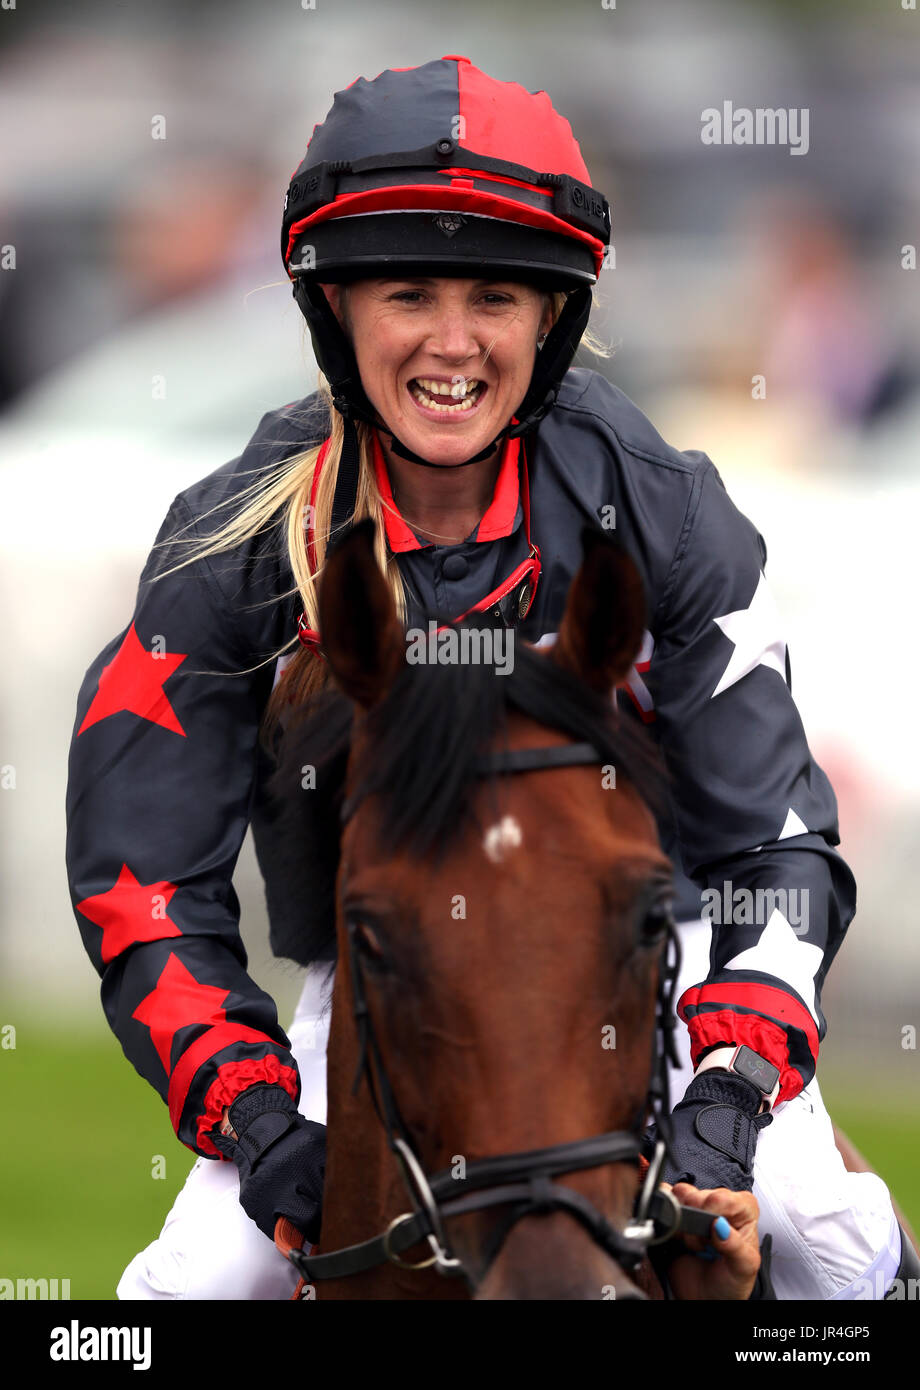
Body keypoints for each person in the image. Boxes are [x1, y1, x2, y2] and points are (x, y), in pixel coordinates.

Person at [65, 55, 909, 1302]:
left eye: (495, 297)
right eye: (408, 292)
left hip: (649, 962)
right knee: (178, 1291)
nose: (451, 343)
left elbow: (772, 848)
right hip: (384, 971)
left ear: (550, 319)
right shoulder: (233, 547)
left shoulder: (667, 514)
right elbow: (144, 883)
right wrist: (259, 1125)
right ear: (336, 310)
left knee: (821, 1235)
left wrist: (727, 1092)